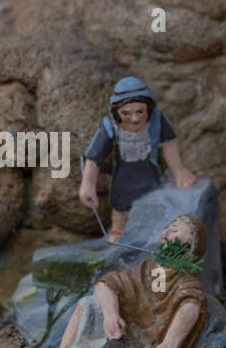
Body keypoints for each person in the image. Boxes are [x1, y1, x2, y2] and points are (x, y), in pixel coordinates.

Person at [26, 214, 209, 348]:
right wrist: (110, 314)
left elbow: (191, 304)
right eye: (167, 228)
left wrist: (170, 344)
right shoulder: (151, 267)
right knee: (88, 303)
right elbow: (109, 283)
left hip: (143, 342)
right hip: (126, 325)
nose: (164, 233)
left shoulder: (185, 281)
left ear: (188, 246)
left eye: (173, 230)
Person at [78, 77, 198, 241]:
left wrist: (179, 171)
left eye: (140, 111)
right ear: (117, 112)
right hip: (123, 172)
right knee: (120, 204)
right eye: (126, 113)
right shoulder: (110, 126)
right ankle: (118, 231)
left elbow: (168, 144)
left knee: (152, 199)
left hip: (147, 169)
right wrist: (88, 184)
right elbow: (93, 159)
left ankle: (154, 231)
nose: (134, 119)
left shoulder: (156, 121)